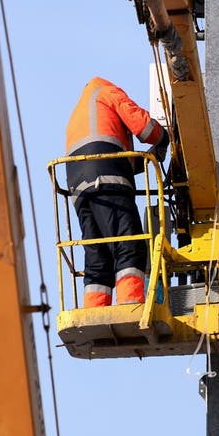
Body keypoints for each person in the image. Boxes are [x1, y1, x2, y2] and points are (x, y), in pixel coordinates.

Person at [65, 77, 169, 308]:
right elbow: (144, 128)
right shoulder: (107, 92)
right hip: (107, 178)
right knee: (129, 243)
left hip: (79, 188)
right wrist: (164, 137)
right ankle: (130, 305)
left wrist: (146, 160)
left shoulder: (80, 111)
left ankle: (95, 311)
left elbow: (108, 153)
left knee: (98, 255)